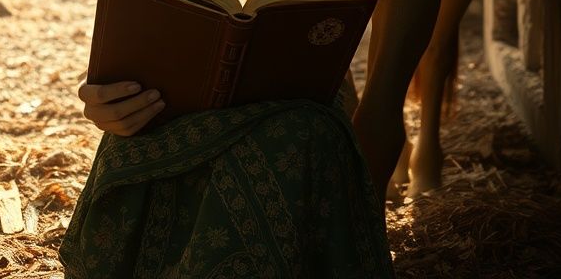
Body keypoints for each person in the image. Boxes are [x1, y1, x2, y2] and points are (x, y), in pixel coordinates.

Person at [58, 78, 394, 278]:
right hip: (175, 103)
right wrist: (112, 91)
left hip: (299, 119)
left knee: (299, 133)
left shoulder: (307, 131)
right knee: (131, 133)